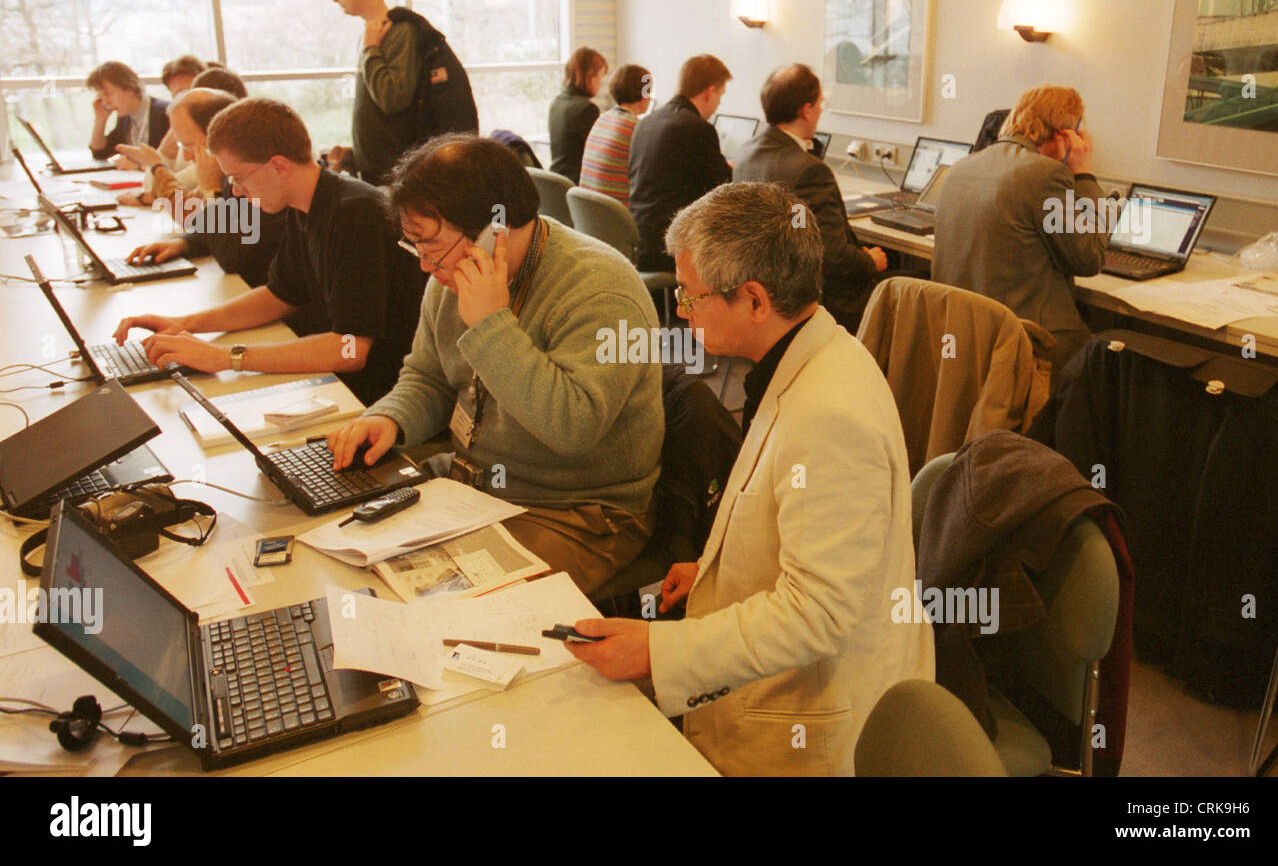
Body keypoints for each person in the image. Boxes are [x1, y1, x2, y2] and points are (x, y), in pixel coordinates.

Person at [566, 182, 934, 776]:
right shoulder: (806, 355)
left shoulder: (829, 413)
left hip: (813, 723)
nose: (681, 311)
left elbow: (818, 613)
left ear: (756, 300)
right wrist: (719, 570)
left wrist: (659, 652)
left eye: (690, 295)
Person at [327, 135, 664, 594]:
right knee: (349, 550)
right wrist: (390, 417)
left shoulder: (602, 291)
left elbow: (572, 428)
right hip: (477, 485)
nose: (425, 266)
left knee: (440, 603)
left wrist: (490, 324)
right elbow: (427, 376)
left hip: (576, 512)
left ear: (495, 231)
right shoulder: (454, 272)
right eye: (415, 246)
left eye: (431, 246)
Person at [111, 98, 426, 406]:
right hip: (341, 380)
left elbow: (350, 350)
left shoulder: (354, 213)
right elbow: (280, 294)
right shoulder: (303, 204)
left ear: (278, 166)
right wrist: (185, 323)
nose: (236, 191)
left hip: (378, 394)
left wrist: (225, 357)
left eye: (238, 178)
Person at [931, 84, 1108, 376]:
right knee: (1110, 354)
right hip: (1027, 340)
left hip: (964, 334)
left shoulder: (960, 167)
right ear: (1065, 136)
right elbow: (1090, 257)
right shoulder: (1046, 174)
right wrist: (1085, 176)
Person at [733, 64, 888, 330]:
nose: (819, 112)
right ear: (806, 110)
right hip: (820, 302)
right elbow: (832, 256)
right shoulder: (809, 171)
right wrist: (870, 261)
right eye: (819, 105)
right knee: (915, 283)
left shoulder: (746, 153)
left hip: (765, 293)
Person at [326, 0, 478, 184]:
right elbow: (378, 115)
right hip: (378, 173)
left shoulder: (400, 33)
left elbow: (393, 98)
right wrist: (355, 154)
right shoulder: (371, 36)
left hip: (396, 178)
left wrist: (371, 50)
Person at [120, 89, 285, 289]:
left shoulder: (257, 177)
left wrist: (211, 190)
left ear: (216, 137)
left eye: (188, 145)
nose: (187, 157)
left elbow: (234, 259)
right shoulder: (231, 175)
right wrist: (184, 244)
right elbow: (230, 230)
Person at [627, 54, 732, 272]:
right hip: (669, 246)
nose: (719, 104)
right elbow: (723, 188)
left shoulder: (646, 123)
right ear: (710, 92)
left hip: (639, 239)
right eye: (720, 96)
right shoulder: (698, 129)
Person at [579, 64, 651, 207]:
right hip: (616, 213)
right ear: (644, 94)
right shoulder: (635, 127)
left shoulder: (603, 119)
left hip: (589, 211)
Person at [86, 61, 169, 162]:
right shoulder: (125, 117)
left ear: (129, 88)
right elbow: (99, 154)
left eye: (107, 94)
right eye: (101, 97)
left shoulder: (165, 112)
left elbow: (172, 163)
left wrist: (139, 166)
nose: (104, 103)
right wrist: (100, 120)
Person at [548, 47, 607, 184]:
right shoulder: (587, 109)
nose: (601, 83)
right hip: (578, 183)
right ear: (590, 76)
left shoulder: (557, 102)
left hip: (558, 181)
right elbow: (599, 155)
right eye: (600, 77)